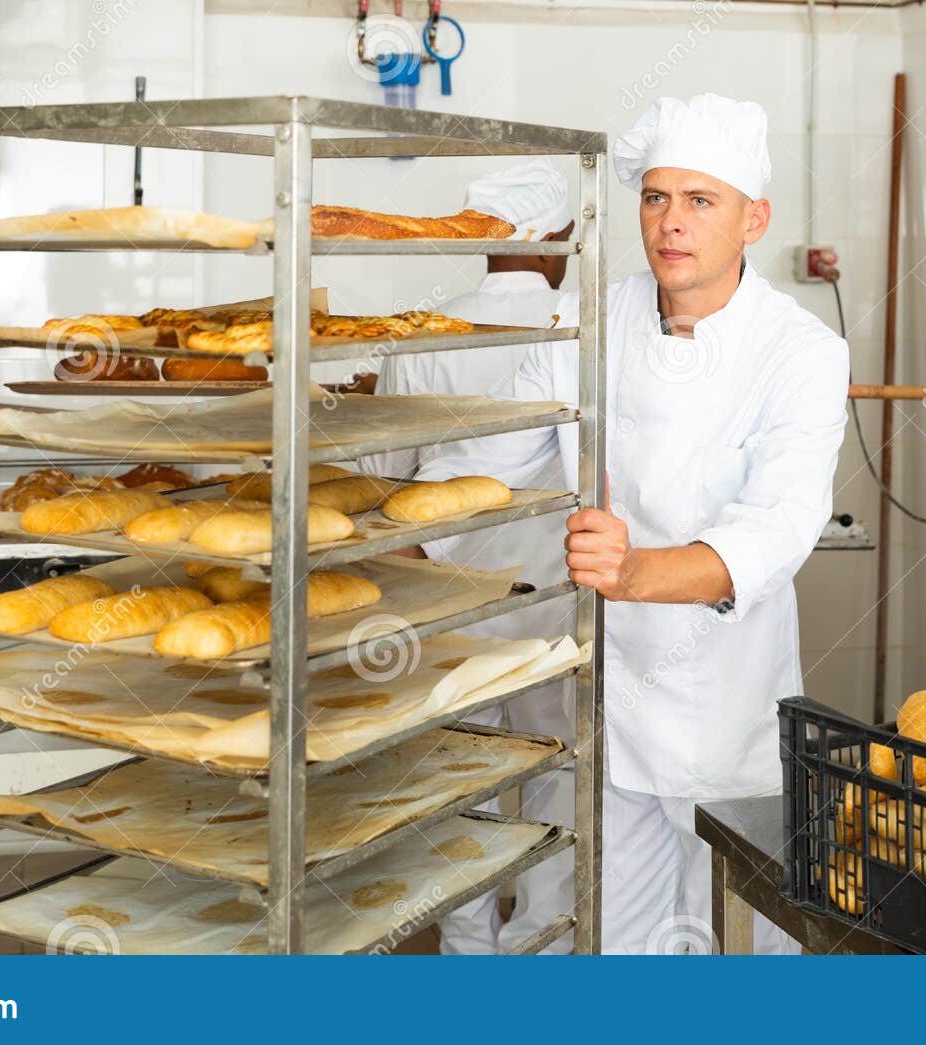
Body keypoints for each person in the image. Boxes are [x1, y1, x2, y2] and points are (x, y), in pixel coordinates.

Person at [414, 95, 849, 953]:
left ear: (752, 218)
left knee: (749, 949)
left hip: (731, 710)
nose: (671, 222)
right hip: (616, 712)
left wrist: (637, 571)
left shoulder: (799, 349)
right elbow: (487, 462)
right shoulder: (588, 324)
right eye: (656, 197)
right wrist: (367, 552)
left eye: (699, 200)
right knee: (614, 948)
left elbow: (779, 524)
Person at [362, 160, 579, 955]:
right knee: (558, 775)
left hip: (443, 604)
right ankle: (543, 953)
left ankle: (467, 954)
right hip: (555, 602)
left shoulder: (423, 333)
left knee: (459, 785)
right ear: (558, 237)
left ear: (482, 238)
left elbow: (386, 481)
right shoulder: (581, 325)